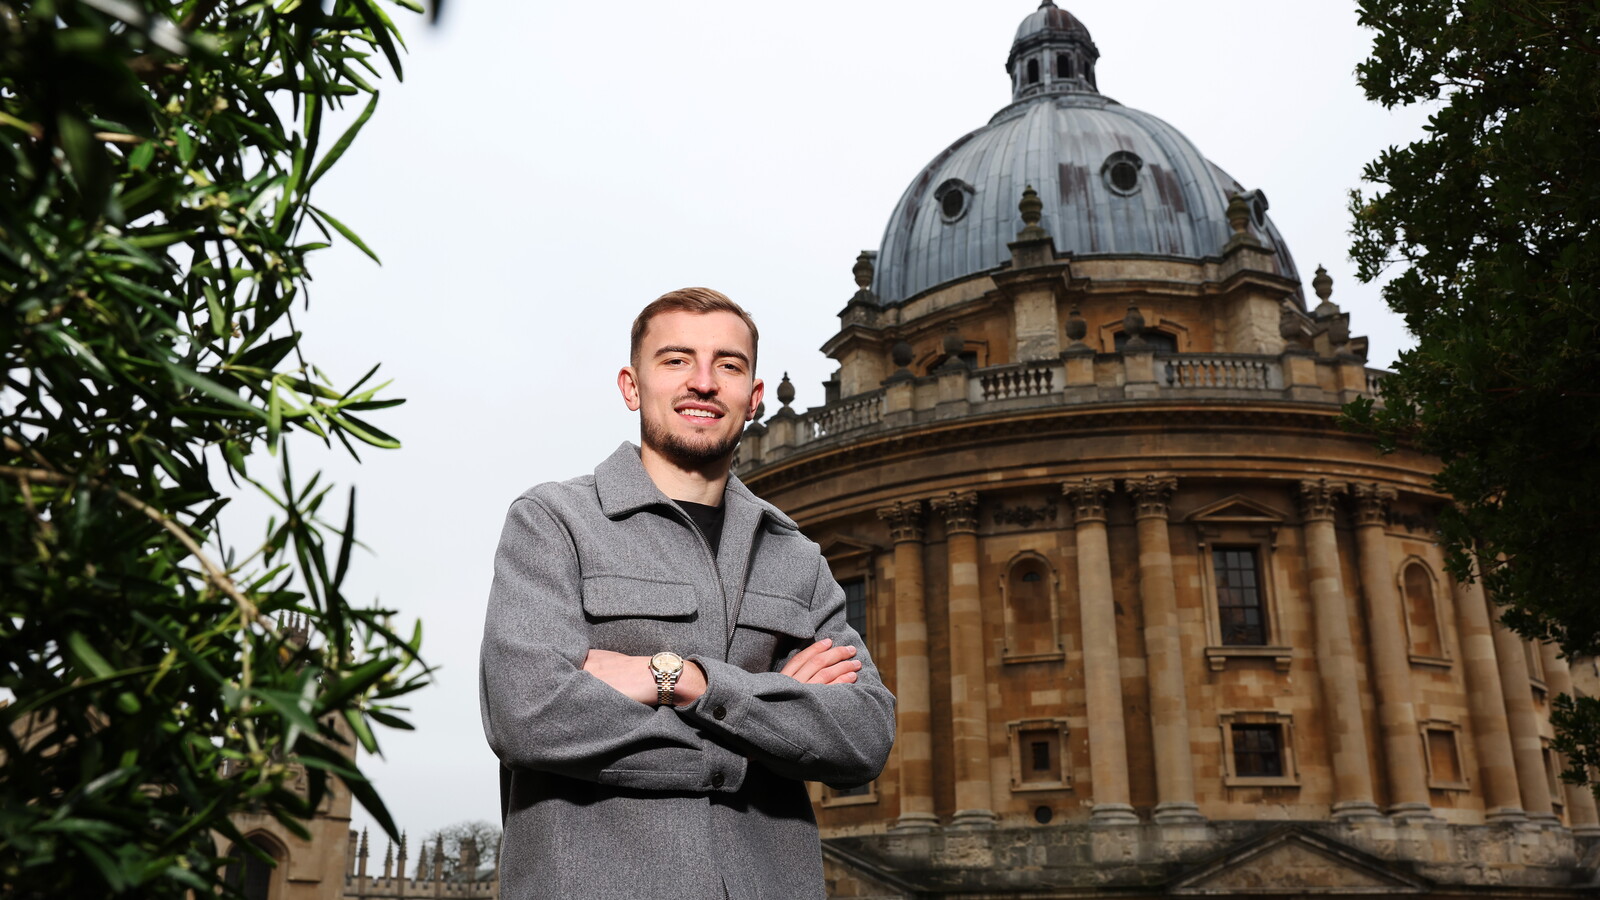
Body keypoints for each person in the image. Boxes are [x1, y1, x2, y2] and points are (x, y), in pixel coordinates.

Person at [479, 288, 896, 900]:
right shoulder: (553, 521)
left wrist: (680, 680)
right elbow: (528, 715)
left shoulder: (797, 557)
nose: (703, 382)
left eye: (728, 365)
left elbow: (864, 736)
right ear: (631, 387)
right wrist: (768, 733)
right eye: (676, 360)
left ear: (754, 397)